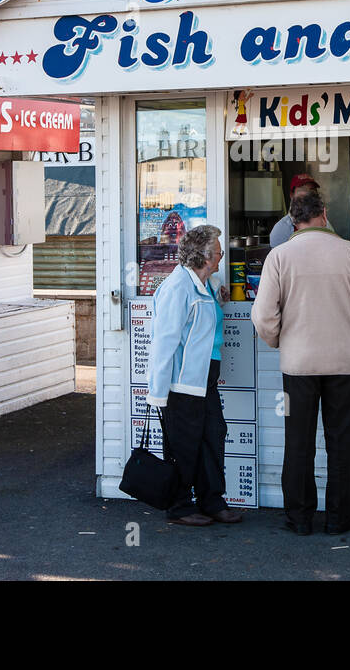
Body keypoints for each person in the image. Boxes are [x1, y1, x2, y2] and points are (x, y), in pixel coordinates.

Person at [251, 190, 350, 536]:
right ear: (323, 213)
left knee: (298, 441)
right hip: (343, 362)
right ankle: (340, 517)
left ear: (293, 221)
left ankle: (300, 517)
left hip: (298, 367)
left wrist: (280, 341)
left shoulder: (279, 257)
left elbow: (262, 315)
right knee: (341, 440)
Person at [146, 224, 244, 526]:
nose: (221, 257)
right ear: (203, 256)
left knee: (213, 436)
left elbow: (208, 299)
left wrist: (218, 290)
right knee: (183, 445)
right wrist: (157, 393)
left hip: (205, 380)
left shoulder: (204, 283)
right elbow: (163, 342)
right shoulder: (177, 288)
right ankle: (180, 506)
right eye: (217, 253)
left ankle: (212, 500)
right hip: (182, 383)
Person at [268, 173, 321, 247]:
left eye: (312, 191)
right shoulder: (281, 229)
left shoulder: (324, 223)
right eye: (302, 190)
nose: (308, 195)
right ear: (292, 195)